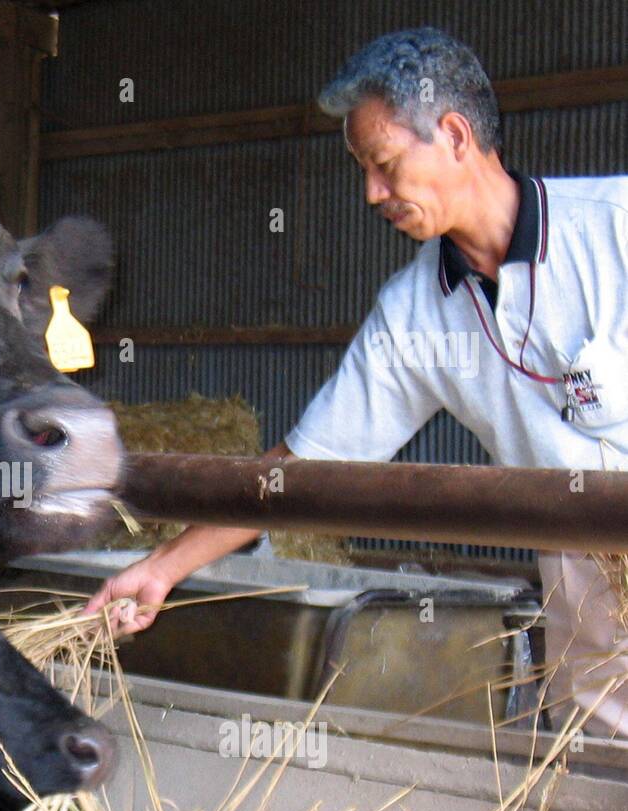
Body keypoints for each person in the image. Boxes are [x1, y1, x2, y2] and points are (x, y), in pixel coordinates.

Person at [85, 27, 628, 738]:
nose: (372, 193)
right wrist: (162, 568)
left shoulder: (614, 230)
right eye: (363, 170)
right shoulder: (413, 311)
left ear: (456, 136)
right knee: (603, 775)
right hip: (581, 576)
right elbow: (308, 466)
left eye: (384, 164)